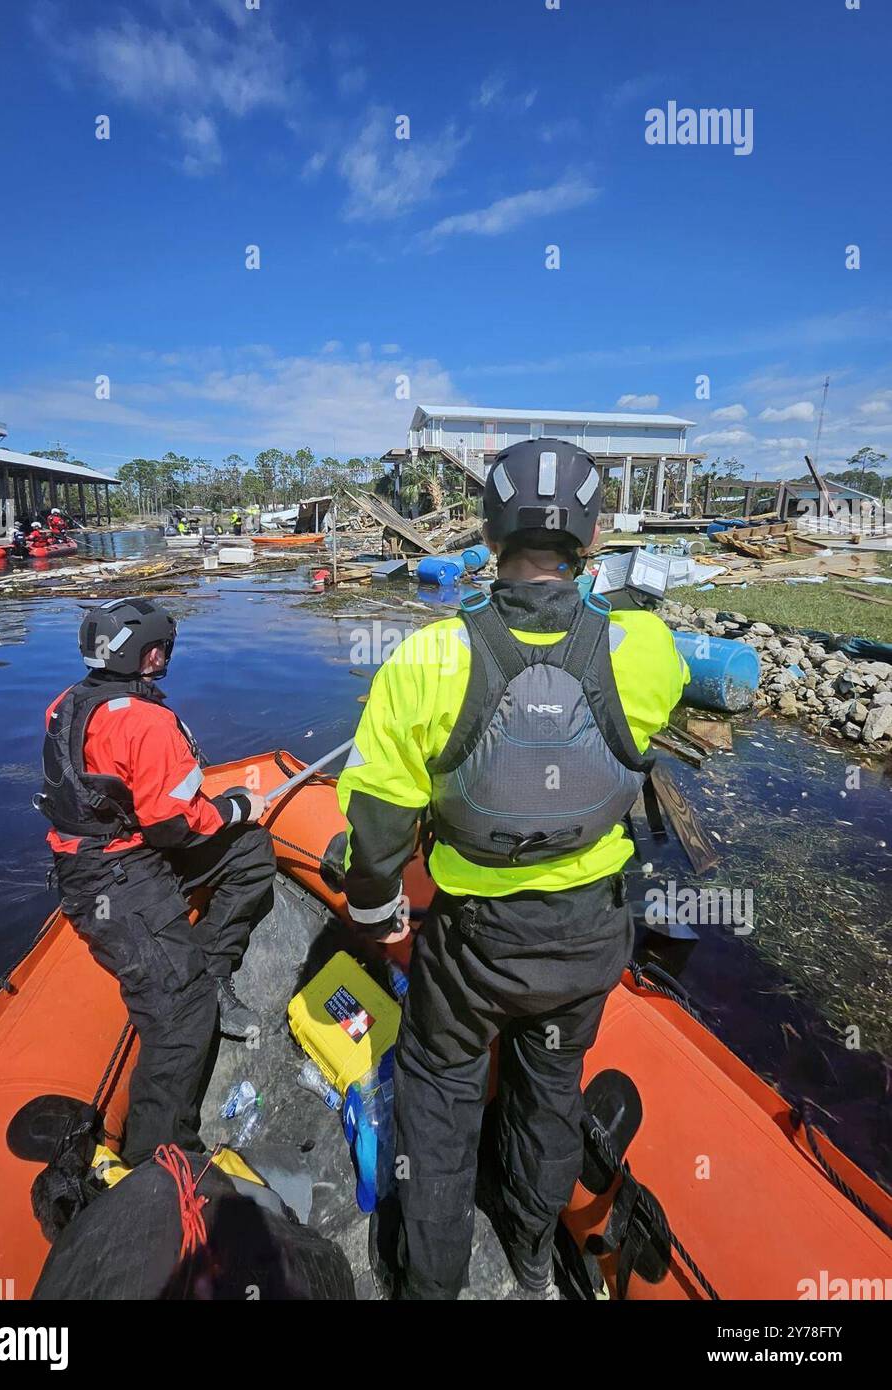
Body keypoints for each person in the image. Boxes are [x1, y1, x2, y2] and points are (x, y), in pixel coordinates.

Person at [336, 438, 688, 1300]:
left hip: (472, 945)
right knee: (549, 1092)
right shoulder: (648, 650)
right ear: (591, 535)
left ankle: (431, 1283)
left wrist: (378, 906)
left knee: (440, 1097)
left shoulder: (427, 659)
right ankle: (533, 1257)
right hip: (587, 938)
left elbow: (379, 819)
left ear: (490, 531)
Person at [35, 598, 276, 1168]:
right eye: (161, 648)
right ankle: (160, 1160)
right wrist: (239, 805)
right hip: (117, 874)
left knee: (250, 854)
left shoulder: (67, 703)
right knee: (180, 1014)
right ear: (148, 655)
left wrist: (234, 825)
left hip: (117, 851)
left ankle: (213, 969)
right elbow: (172, 825)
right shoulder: (147, 721)